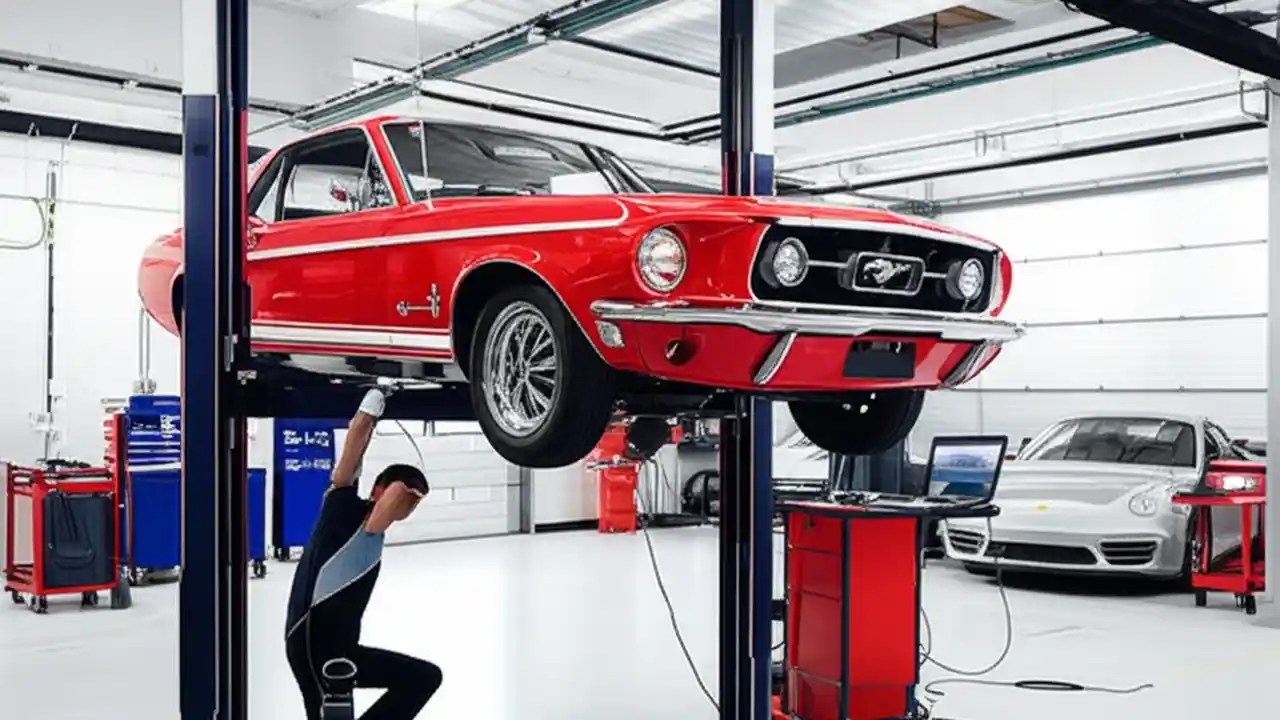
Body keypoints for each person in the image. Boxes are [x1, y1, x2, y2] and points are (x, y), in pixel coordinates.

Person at [285, 387, 442, 720]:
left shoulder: (361, 519)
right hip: (314, 647)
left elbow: (394, 495)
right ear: (378, 489)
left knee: (423, 677)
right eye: (407, 496)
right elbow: (357, 441)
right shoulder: (349, 510)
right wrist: (375, 397)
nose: (408, 505)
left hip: (339, 649)